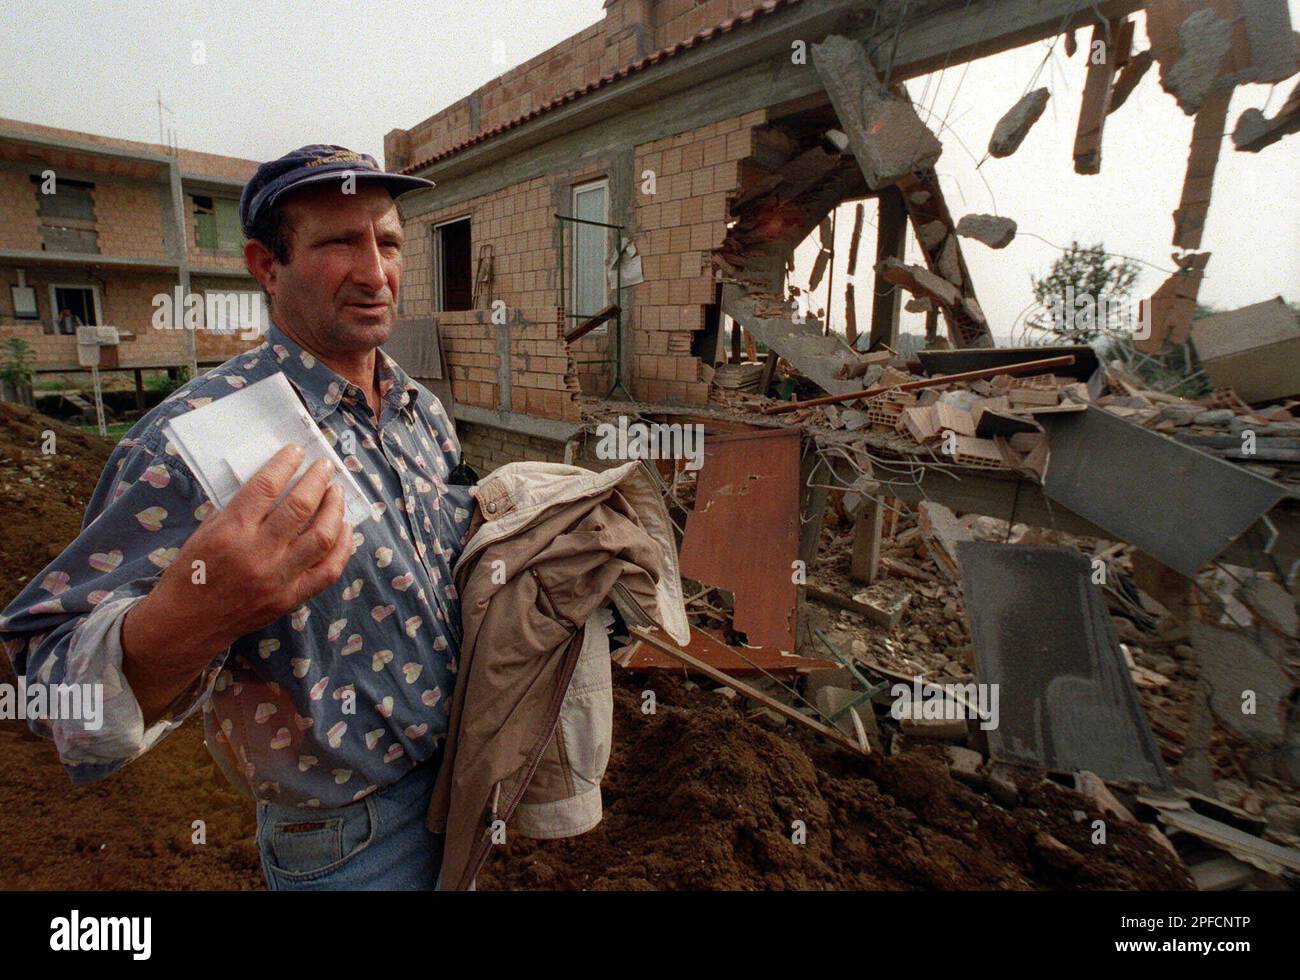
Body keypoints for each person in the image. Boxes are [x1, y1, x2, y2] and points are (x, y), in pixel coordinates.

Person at [0, 145, 473, 890]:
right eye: (338, 243)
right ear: (265, 265)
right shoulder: (195, 439)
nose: (376, 272)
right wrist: (193, 616)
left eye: (387, 242)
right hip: (351, 843)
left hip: (467, 791)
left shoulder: (422, 412)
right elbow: (49, 682)